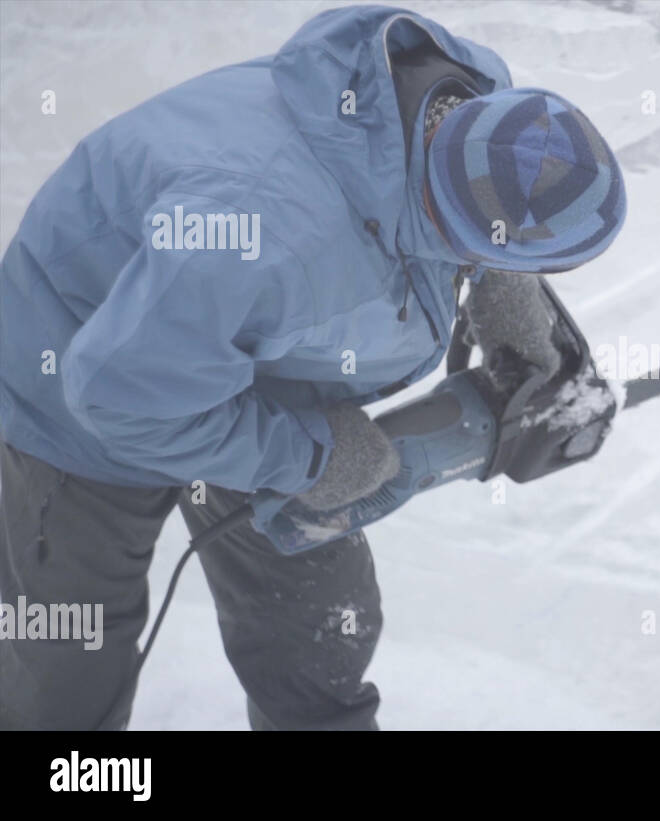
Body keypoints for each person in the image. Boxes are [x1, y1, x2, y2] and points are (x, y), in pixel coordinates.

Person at [0, 5, 627, 730]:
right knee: (66, 666)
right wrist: (311, 454)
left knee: (321, 625)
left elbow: (479, 190)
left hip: (249, 354)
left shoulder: (471, 104)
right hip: (83, 384)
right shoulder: (263, 230)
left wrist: (500, 285)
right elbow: (118, 395)